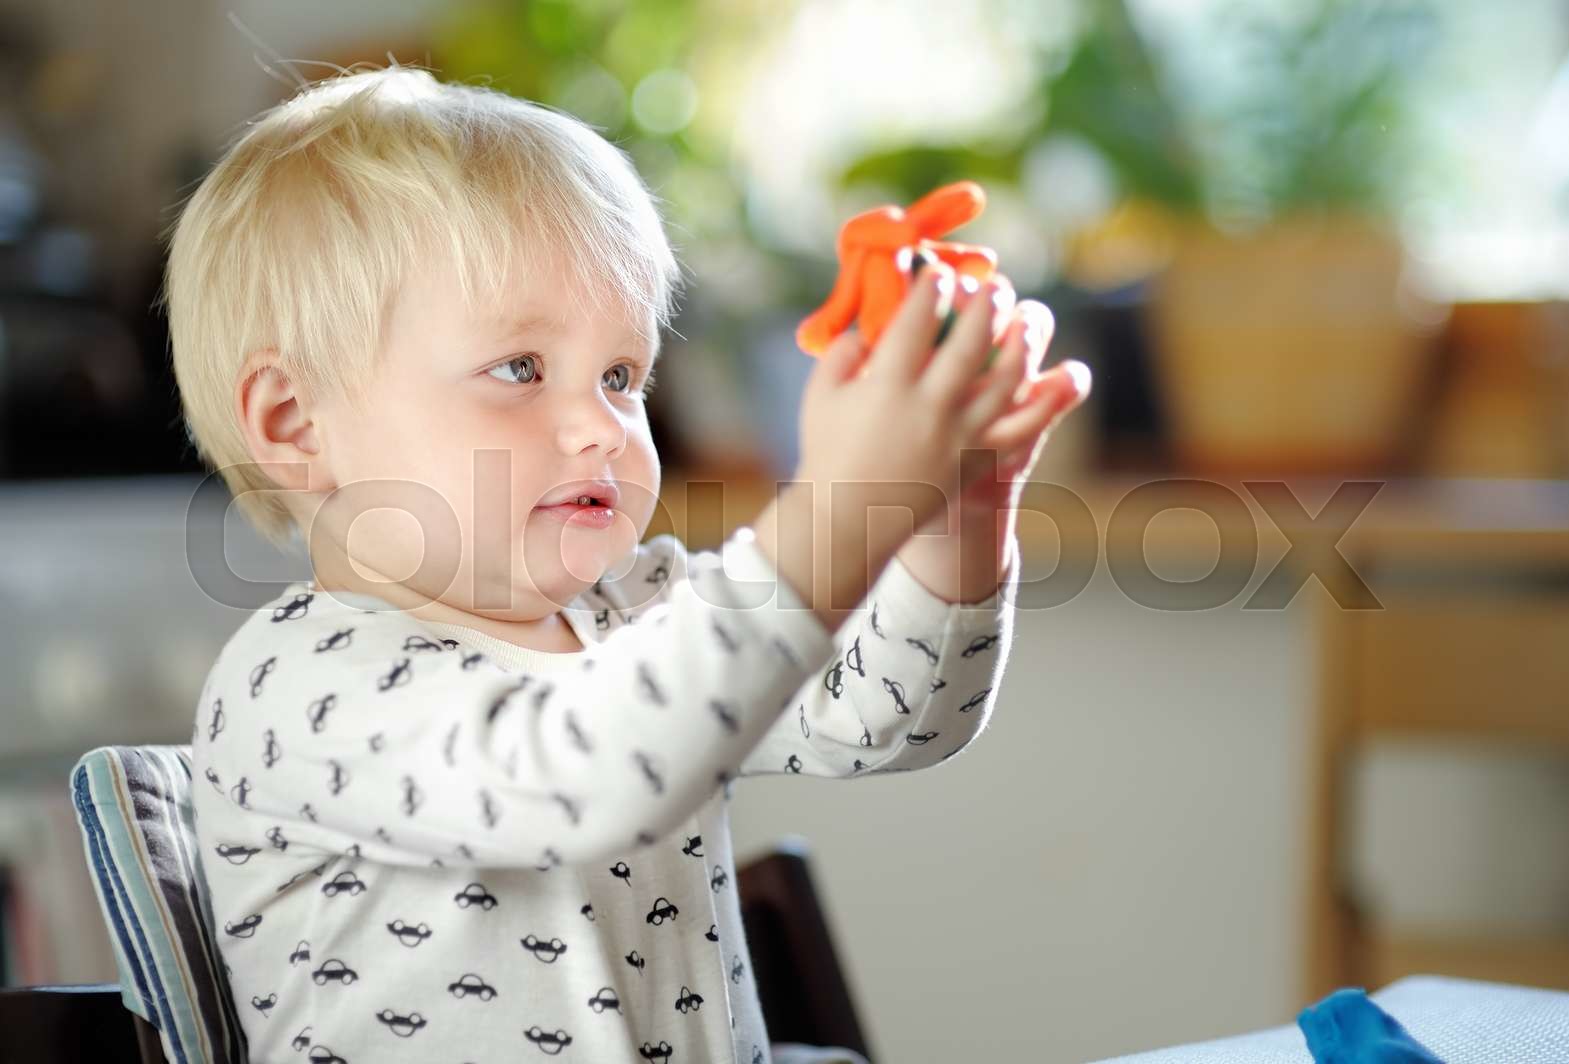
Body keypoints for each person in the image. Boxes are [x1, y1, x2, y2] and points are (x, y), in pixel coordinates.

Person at [167, 65, 1088, 1064]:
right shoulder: (296, 685)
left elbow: (893, 720)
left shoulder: (639, 606)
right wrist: (836, 511)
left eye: (621, 375)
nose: (600, 426)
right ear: (294, 423)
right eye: (520, 368)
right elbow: (579, 769)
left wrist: (957, 505)